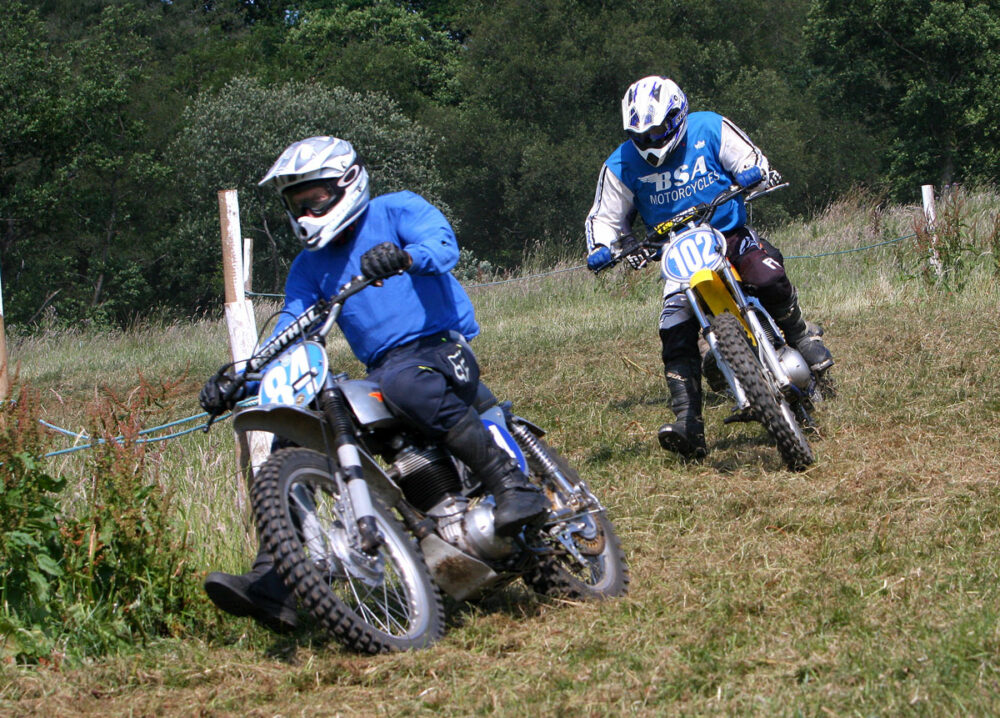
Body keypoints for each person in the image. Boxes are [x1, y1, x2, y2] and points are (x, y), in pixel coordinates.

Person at [197, 136, 548, 633]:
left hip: (437, 347)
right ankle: (275, 578)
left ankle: (515, 487)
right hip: (384, 367)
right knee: (299, 421)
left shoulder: (396, 209)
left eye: (314, 199)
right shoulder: (308, 267)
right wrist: (243, 373)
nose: (304, 213)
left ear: (347, 182)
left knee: (404, 383)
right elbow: (289, 327)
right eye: (296, 204)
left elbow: (443, 245)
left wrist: (404, 258)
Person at [585, 76, 833, 460]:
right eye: (642, 135)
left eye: (658, 130)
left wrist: (753, 173)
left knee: (766, 273)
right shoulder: (619, 164)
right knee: (673, 331)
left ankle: (801, 336)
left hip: (727, 234)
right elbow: (604, 217)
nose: (651, 140)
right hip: (677, 256)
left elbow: (752, 160)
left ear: (677, 115)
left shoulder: (709, 127)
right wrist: (602, 246)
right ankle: (689, 424)